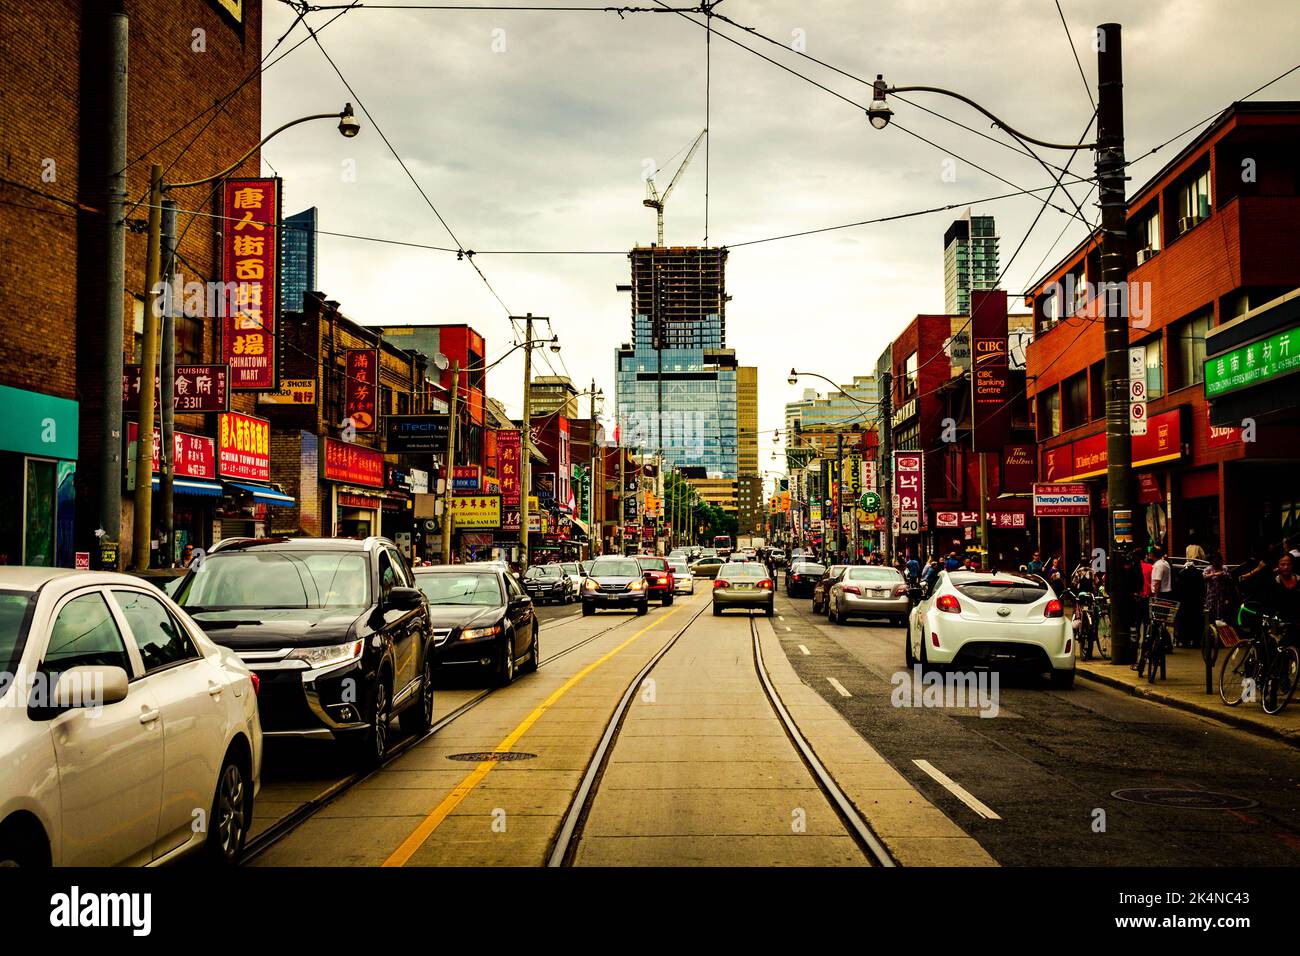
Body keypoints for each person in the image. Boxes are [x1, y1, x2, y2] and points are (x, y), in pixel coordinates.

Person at [1174, 552, 1205, 648]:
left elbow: (1178, 588)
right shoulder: (1199, 574)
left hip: (1185, 602)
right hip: (1196, 602)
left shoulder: (1182, 574)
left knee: (1184, 621)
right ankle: (1196, 640)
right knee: (1197, 621)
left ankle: (1185, 640)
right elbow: (1202, 588)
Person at [1203, 552, 1235, 626]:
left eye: (1218, 560)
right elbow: (1203, 577)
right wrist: (1213, 574)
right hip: (1211, 595)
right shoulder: (1209, 569)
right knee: (1211, 612)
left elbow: (1230, 578)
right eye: (1214, 560)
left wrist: (1222, 574)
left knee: (1222, 613)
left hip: (1222, 595)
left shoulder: (1224, 568)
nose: (1216, 562)